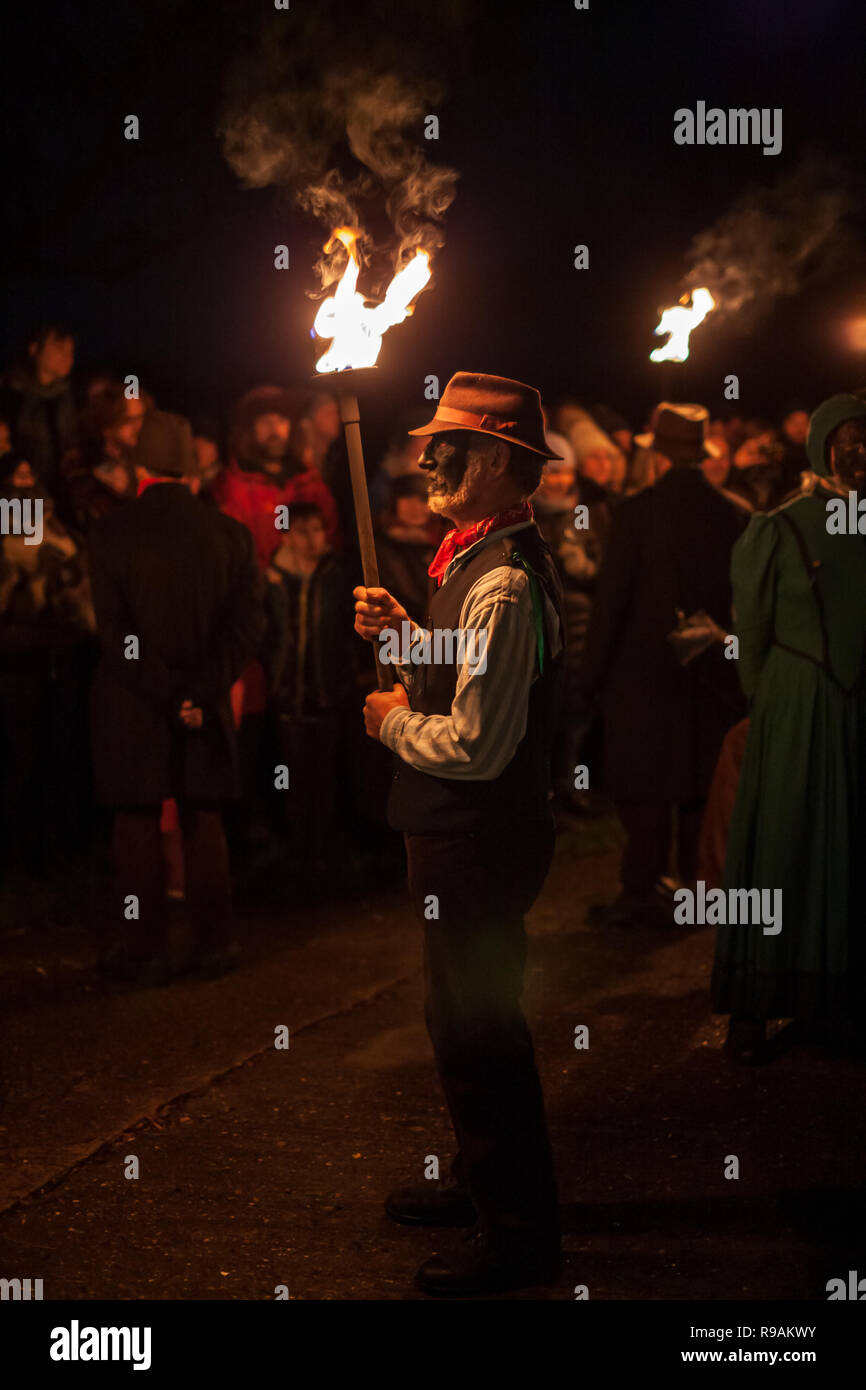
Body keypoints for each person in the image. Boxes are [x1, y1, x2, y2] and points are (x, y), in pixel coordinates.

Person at [354, 372, 565, 1297]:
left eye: (453, 446)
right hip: (457, 838)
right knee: (456, 1018)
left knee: (480, 1026)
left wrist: (390, 720)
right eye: (432, 442)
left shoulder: (504, 584)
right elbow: (459, 673)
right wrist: (406, 636)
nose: (430, 458)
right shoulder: (467, 560)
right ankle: (485, 1186)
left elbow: (477, 743)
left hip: (477, 837)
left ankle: (517, 1234)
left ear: (503, 464)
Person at [712, 394, 866, 1063]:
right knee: (783, 840)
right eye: (848, 442)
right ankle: (756, 1001)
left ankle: (838, 997)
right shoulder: (780, 527)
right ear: (822, 448)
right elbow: (754, 633)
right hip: (797, 707)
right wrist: (772, 709)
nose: (860, 455)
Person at [88, 410, 265, 984]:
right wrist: (198, 691)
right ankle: (215, 943)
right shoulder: (231, 535)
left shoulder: (112, 532)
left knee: (137, 822)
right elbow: (244, 630)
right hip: (202, 700)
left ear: (141, 466)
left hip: (134, 702)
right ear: (193, 469)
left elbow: (119, 636)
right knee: (203, 817)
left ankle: (144, 949)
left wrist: (165, 694)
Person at [580, 403, 749, 928]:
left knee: (647, 791)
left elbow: (611, 603)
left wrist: (590, 679)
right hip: (713, 672)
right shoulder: (737, 513)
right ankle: (699, 895)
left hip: (643, 677)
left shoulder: (634, 513)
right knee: (701, 784)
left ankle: (641, 893)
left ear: (658, 455)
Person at [268, 501, 352, 873]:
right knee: (289, 775)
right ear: (286, 535)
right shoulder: (273, 580)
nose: (311, 539)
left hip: (327, 694)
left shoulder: (336, 576)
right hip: (287, 697)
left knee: (325, 776)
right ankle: (295, 848)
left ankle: (322, 852)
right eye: (300, 531)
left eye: (316, 529)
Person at [212, 385, 340, 568]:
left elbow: (333, 540)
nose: (274, 429)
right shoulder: (232, 488)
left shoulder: (310, 483)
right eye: (265, 421)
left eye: (281, 420)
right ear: (250, 430)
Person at [0, 325, 78, 518]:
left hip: (58, 492)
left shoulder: (69, 396)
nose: (67, 357)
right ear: (35, 350)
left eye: (71, 351)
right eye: (59, 349)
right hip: (17, 495)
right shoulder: (9, 392)